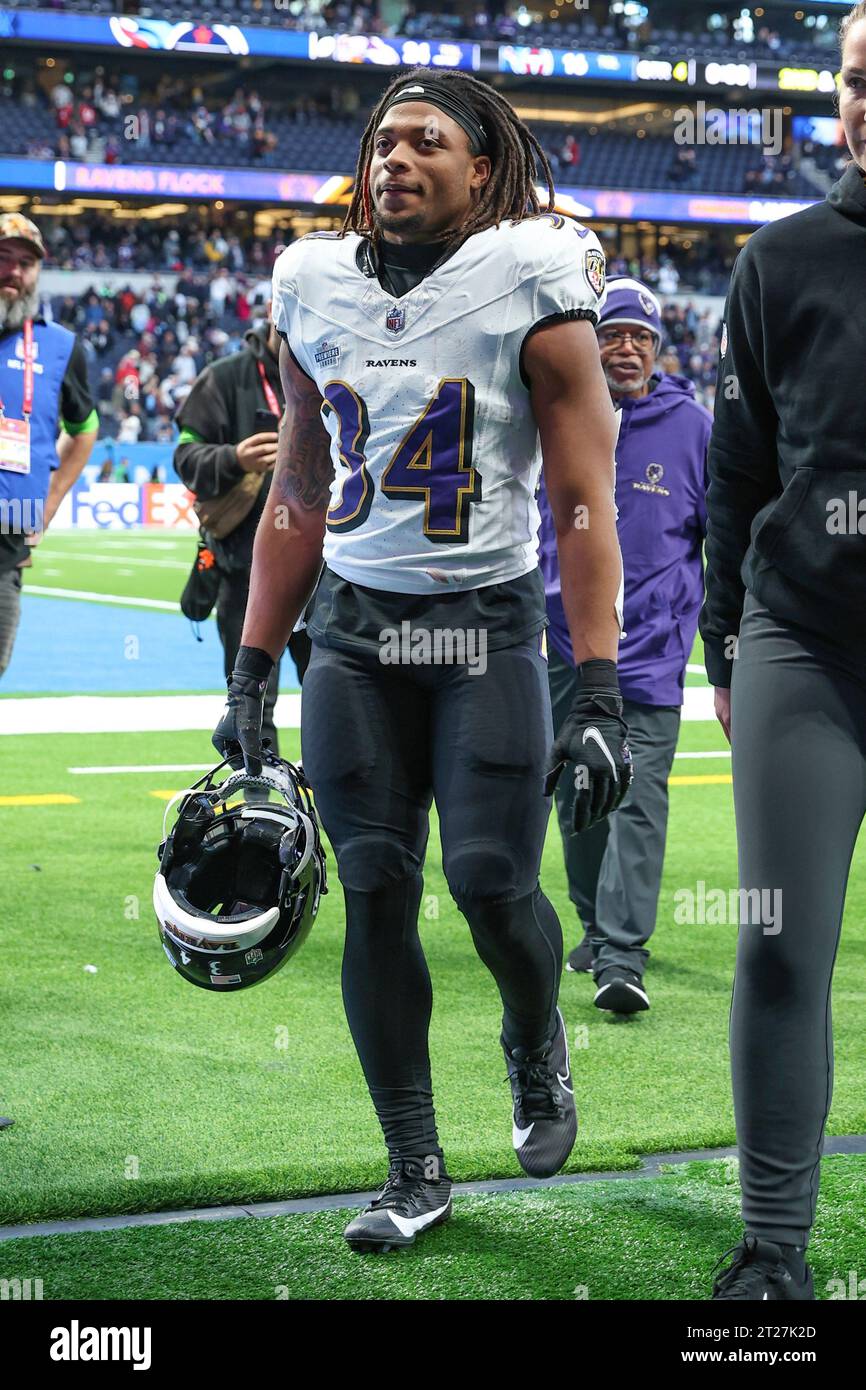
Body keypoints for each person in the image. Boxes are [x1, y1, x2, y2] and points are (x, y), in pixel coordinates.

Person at [212, 69, 632, 1252]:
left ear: (481, 169)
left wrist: (594, 684)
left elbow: (582, 493)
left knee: (493, 884)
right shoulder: (309, 281)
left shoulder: (532, 272)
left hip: (480, 628)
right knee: (376, 887)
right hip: (354, 630)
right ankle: (413, 1165)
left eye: (425, 142)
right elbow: (296, 488)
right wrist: (250, 668)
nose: (394, 159)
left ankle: (531, 1034)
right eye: (382, 141)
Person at [700, 0, 866, 1304]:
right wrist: (716, 640)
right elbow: (738, 471)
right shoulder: (780, 261)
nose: (861, 106)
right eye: (852, 82)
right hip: (800, 641)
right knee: (773, 940)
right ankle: (770, 1250)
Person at [538, 281, 710, 1013]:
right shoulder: (556, 417)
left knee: (638, 800)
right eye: (612, 335)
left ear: (658, 350)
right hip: (566, 647)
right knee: (583, 793)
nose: (627, 348)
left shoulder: (694, 429)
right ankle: (591, 925)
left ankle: (622, 955)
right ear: (589, 343)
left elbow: (720, 538)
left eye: (641, 337)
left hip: (651, 656)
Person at [174, 302, 311, 756]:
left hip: (327, 573)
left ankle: (334, 811)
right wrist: (234, 459)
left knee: (335, 700)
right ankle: (255, 807)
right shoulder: (225, 377)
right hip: (244, 571)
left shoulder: (332, 368)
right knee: (250, 707)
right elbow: (185, 457)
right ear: (274, 316)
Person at [0, 213, 98, 679]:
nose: (13, 272)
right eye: (3, 258)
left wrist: (50, 501)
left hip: (8, 542)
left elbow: (85, 429)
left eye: (25, 263)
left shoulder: (59, 347)